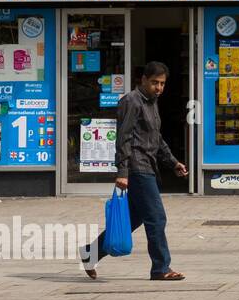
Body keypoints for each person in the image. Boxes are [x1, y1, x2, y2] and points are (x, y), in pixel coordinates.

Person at [79, 62, 189, 280]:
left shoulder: (152, 103)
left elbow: (155, 138)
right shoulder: (131, 101)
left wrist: (173, 162)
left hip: (149, 165)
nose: (159, 88)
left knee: (135, 217)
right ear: (144, 80)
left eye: (162, 84)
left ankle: (90, 253)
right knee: (157, 218)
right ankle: (161, 268)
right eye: (155, 83)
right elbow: (124, 137)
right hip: (137, 167)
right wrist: (122, 171)